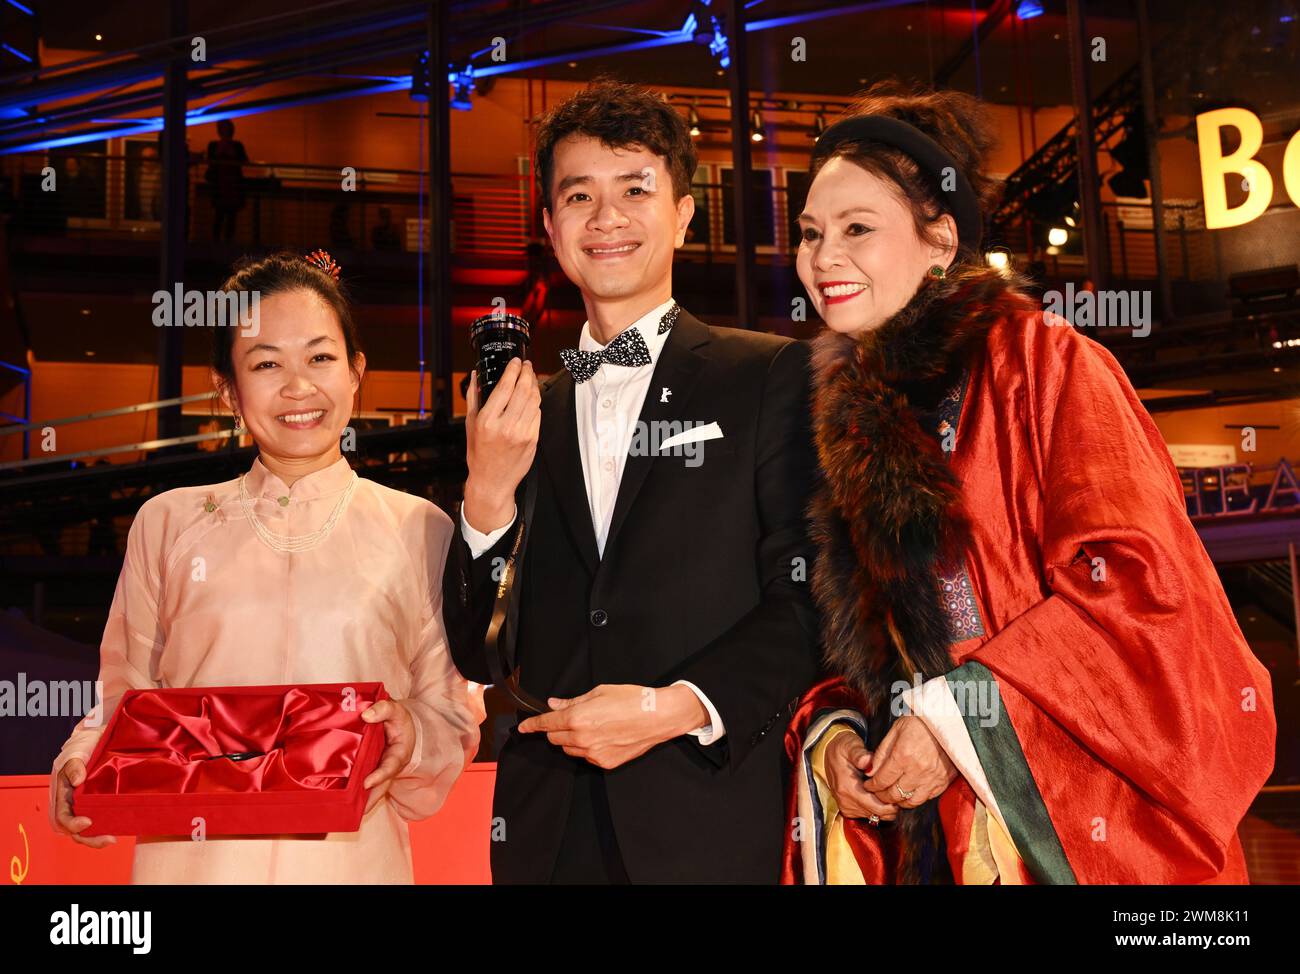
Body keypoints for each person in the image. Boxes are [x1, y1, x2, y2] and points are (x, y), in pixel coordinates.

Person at [782, 81, 1276, 885]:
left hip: (1069, 838)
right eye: (809, 233)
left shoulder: (1050, 366)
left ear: (939, 240)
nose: (822, 256)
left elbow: (1141, 589)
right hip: (924, 840)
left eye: (857, 229)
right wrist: (837, 734)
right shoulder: (841, 419)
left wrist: (955, 720)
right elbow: (834, 643)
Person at [443, 78, 821, 883]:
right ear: (550, 227)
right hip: (548, 831)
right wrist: (485, 491)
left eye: (634, 190)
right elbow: (480, 654)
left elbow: (809, 599)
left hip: (706, 817)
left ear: (685, 213)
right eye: (578, 196)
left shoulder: (769, 374)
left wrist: (671, 707)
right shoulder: (522, 410)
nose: (606, 218)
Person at [49, 250, 483, 883]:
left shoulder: (420, 528)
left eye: (320, 357)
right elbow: (126, 700)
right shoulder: (168, 522)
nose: (298, 386)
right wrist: (80, 763)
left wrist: (409, 734)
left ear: (356, 372)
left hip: (351, 861)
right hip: (192, 864)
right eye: (266, 364)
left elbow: (449, 709)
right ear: (227, 388)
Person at [206, 119, 249, 242]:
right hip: (219, 184)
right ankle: (216, 241)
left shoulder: (237, 145)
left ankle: (228, 241)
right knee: (219, 214)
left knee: (231, 215)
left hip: (233, 184)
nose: (225, 131)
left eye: (227, 129)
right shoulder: (213, 145)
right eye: (222, 129)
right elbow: (210, 161)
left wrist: (232, 154)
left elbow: (244, 161)